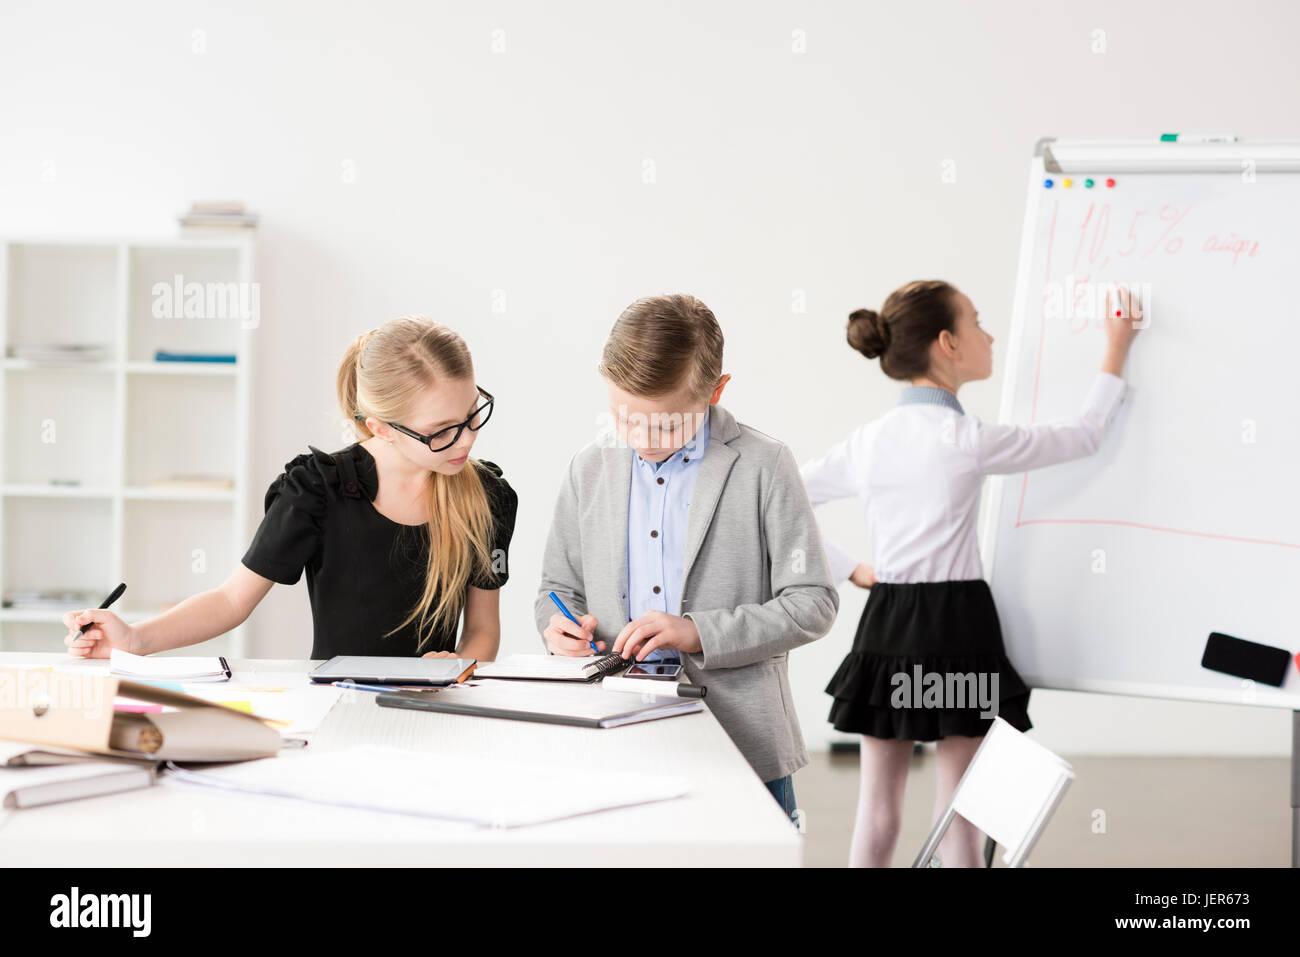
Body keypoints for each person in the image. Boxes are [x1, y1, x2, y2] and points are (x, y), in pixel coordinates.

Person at [801, 280, 1140, 866]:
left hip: (890, 628)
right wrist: (1117, 346)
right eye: (977, 322)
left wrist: (849, 569)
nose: (989, 335)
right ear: (947, 343)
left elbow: (784, 499)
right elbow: (1083, 434)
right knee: (964, 810)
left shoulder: (869, 442)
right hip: (959, 628)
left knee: (877, 809)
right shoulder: (966, 438)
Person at [534, 293, 839, 821]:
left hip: (742, 745)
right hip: (617, 734)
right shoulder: (589, 467)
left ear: (717, 392)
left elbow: (813, 603)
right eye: (624, 419)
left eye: (665, 425)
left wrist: (698, 631)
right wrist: (555, 628)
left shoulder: (764, 465)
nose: (641, 440)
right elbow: (556, 590)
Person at [64, 316, 517, 662]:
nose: (469, 439)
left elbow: (482, 630)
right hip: (333, 710)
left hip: (436, 715)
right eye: (443, 430)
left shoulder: (487, 497)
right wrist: (136, 638)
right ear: (381, 428)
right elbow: (230, 601)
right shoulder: (316, 490)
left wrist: (457, 666)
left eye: (472, 415)